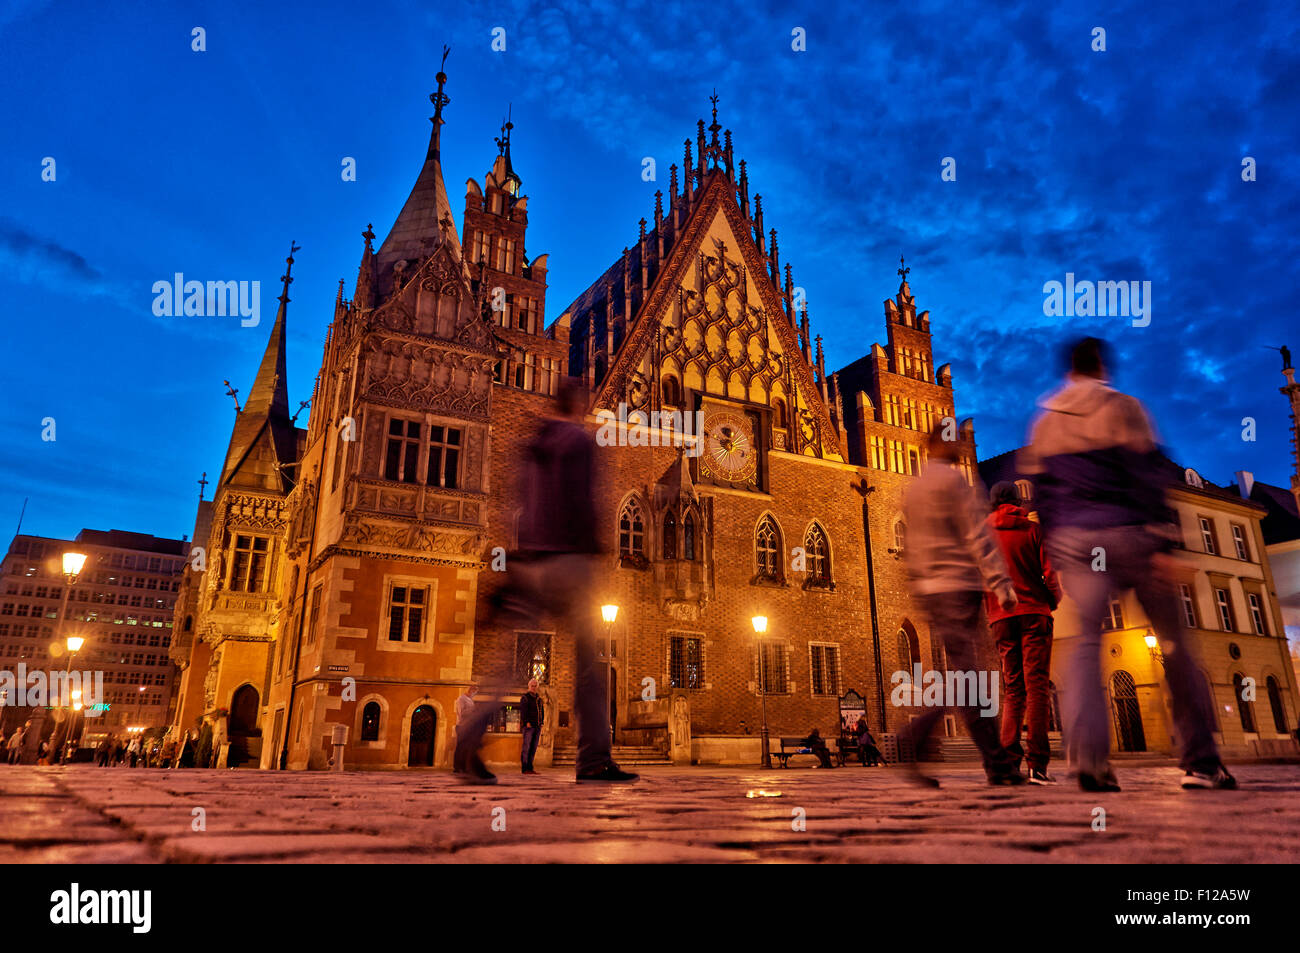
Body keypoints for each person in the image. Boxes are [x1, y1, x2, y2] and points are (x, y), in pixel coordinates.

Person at [1021, 336, 1234, 792]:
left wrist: (1058, 548)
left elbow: (1042, 495)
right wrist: (1163, 544)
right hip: (1130, 534)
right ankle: (1200, 761)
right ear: (1100, 365)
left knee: (1082, 649)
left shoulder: (1044, 423)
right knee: (1175, 647)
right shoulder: (1124, 407)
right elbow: (1148, 476)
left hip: (1077, 542)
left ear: (1068, 369)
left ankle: (1090, 761)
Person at [457, 380, 638, 786]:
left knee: (511, 665)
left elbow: (515, 505)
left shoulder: (533, 445)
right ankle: (593, 760)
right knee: (592, 662)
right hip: (570, 562)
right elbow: (584, 502)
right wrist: (595, 547)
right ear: (578, 405)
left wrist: (518, 559)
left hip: (531, 560)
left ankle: (468, 737)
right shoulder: (579, 442)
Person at [902, 425, 1024, 788]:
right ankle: (995, 764)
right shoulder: (956, 484)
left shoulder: (915, 488)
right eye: (953, 439)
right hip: (957, 587)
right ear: (941, 444)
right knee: (968, 677)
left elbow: (913, 546)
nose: (960, 444)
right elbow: (978, 536)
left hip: (932, 589)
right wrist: (1001, 583)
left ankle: (994, 762)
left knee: (964, 676)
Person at [984, 481, 1063, 785]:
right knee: (1037, 689)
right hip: (1034, 614)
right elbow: (1051, 574)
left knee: (1013, 689)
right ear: (1017, 501)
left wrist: (992, 611)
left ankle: (1007, 763)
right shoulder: (1033, 531)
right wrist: (1050, 601)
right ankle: (1038, 766)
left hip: (1001, 617)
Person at [452, 684, 479, 775]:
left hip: (468, 726)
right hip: (461, 726)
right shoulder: (461, 699)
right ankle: (457, 767)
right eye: (474, 692)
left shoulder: (470, 700)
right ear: (471, 690)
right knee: (460, 747)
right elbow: (461, 713)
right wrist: (473, 711)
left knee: (466, 747)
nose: (475, 694)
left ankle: (464, 767)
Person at [518, 678, 544, 774]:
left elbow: (542, 711)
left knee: (533, 748)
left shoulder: (538, 699)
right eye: (532, 686)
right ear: (529, 686)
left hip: (537, 726)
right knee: (526, 747)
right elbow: (523, 711)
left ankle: (530, 768)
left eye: (535, 686)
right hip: (529, 726)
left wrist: (541, 722)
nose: (533, 688)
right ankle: (524, 768)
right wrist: (526, 722)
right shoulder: (525, 698)